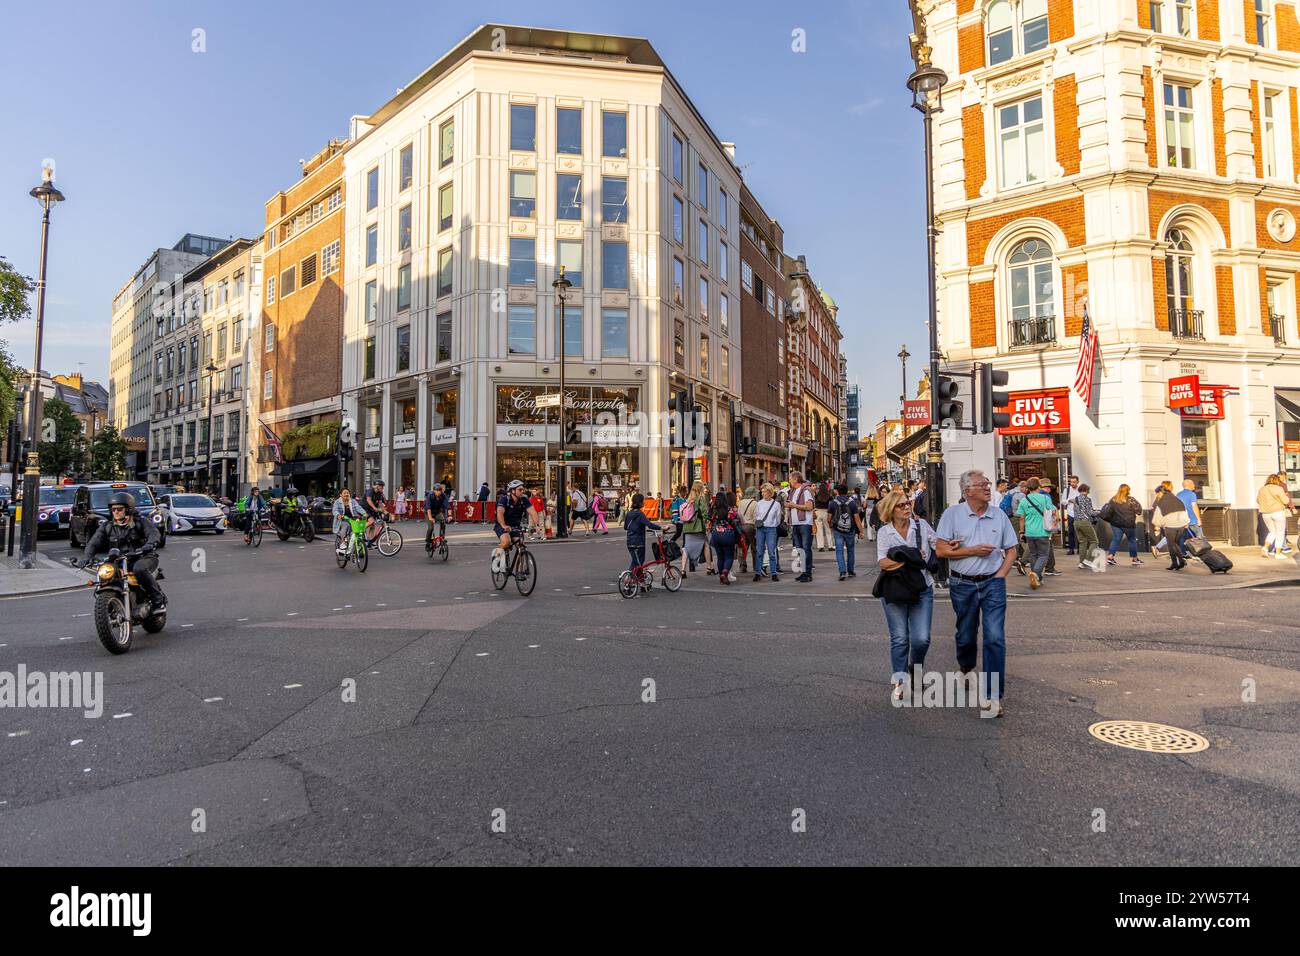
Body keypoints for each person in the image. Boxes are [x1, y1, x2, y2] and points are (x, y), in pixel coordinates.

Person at [935, 470, 1019, 718]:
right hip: (962, 584)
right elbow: (940, 551)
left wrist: (1001, 574)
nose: (987, 488)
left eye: (988, 484)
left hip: (993, 583)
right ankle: (966, 666)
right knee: (966, 634)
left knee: (994, 637)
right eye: (982, 485)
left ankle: (993, 696)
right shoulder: (952, 515)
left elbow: (1012, 550)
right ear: (967, 491)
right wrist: (972, 551)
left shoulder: (999, 515)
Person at [876, 488, 937, 702]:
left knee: (921, 638)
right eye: (901, 505)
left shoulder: (921, 526)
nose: (907, 507)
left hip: (922, 587)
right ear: (891, 510)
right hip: (894, 589)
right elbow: (883, 561)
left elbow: (938, 545)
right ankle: (900, 681)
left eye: (908, 503)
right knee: (900, 638)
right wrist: (910, 559)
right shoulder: (885, 533)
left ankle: (915, 668)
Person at [77, 491, 166, 613]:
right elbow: (93, 543)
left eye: (119, 509)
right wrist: (86, 557)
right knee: (107, 573)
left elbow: (154, 533)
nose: (116, 512)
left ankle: (157, 601)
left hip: (143, 557)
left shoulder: (140, 522)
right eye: (113, 510)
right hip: (119, 559)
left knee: (139, 569)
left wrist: (150, 544)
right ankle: (108, 604)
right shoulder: (107, 526)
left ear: (128, 509)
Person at [1016, 477, 1057, 589]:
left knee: (1033, 554)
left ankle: (1038, 578)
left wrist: (1021, 531)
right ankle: (1035, 573)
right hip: (1043, 531)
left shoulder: (1024, 500)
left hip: (1029, 532)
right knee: (1043, 555)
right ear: (1038, 486)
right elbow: (1052, 511)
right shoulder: (1045, 498)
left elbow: (1021, 517)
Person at [1099, 484, 1144, 566]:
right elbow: (1139, 511)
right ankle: (1135, 559)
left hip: (1116, 524)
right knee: (1132, 540)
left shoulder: (1113, 499)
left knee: (1116, 539)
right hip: (1128, 524)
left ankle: (1110, 557)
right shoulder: (1130, 499)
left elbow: (1109, 511)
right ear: (1128, 491)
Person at [828, 482, 864, 580]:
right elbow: (857, 519)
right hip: (850, 529)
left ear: (837, 492)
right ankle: (851, 571)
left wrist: (831, 527)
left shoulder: (833, 503)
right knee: (850, 550)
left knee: (839, 551)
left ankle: (842, 571)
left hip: (837, 530)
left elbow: (829, 518)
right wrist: (861, 531)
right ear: (847, 491)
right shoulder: (852, 503)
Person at [1152, 480, 1189, 571]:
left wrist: (1157, 526)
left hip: (1170, 526)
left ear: (1160, 492)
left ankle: (1176, 562)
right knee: (1175, 544)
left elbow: (1158, 515)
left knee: (1171, 545)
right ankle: (1179, 562)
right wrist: (1186, 522)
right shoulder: (1177, 499)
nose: (1157, 495)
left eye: (1157, 493)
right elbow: (1185, 511)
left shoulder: (1161, 502)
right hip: (1181, 525)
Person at [786, 471, 815, 582]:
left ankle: (808, 573)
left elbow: (809, 506)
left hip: (805, 523)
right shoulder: (793, 491)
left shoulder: (806, 490)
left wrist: (793, 505)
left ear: (795, 479)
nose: (789, 481)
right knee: (800, 549)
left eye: (790, 479)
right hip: (796, 523)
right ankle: (803, 572)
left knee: (806, 548)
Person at [1257, 474, 1294, 558]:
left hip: (1265, 514)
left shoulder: (1262, 489)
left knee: (1272, 532)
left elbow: (1258, 500)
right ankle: (1278, 553)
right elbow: (1285, 501)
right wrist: (1287, 497)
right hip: (1277, 512)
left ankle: (1265, 548)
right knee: (1280, 533)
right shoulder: (1279, 488)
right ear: (1277, 480)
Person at [753, 482, 783, 581]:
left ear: (770, 492)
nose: (763, 494)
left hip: (771, 529)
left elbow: (778, 518)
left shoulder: (776, 504)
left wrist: (773, 524)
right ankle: (757, 573)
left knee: (771, 551)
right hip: (760, 529)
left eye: (764, 492)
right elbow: (756, 516)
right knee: (760, 551)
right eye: (762, 492)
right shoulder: (759, 503)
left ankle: (774, 573)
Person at [708, 491, 739, 585]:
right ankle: (724, 574)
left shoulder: (713, 511)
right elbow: (735, 521)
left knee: (720, 557)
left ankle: (721, 574)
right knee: (729, 556)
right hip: (727, 534)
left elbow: (709, 519)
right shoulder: (729, 510)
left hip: (716, 534)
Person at [679, 480, 710, 573]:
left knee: (686, 547)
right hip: (698, 527)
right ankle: (709, 567)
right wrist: (707, 522)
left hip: (687, 527)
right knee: (706, 545)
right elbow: (704, 512)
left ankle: (683, 570)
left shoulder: (688, 499)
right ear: (700, 488)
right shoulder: (701, 498)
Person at [493, 479, 531, 553]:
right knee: (506, 542)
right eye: (520, 490)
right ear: (513, 491)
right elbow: (500, 513)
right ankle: (497, 553)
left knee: (521, 545)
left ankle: (521, 563)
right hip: (502, 525)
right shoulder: (504, 499)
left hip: (515, 526)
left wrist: (537, 525)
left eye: (523, 490)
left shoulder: (524, 500)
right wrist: (504, 525)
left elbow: (532, 512)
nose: (522, 491)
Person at [1072, 483, 1102, 568]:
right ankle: (1088, 561)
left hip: (1076, 522)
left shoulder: (1076, 499)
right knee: (1094, 541)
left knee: (1082, 542)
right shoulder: (1087, 499)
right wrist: (1100, 512)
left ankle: (1082, 562)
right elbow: (1090, 512)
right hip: (1085, 522)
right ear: (1087, 491)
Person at [333, 488, 368, 555]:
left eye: (348, 493)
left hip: (353, 519)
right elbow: (335, 510)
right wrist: (338, 515)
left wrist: (364, 513)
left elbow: (358, 507)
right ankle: (343, 542)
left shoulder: (353, 501)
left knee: (360, 530)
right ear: (341, 495)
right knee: (345, 526)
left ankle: (360, 545)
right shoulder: (337, 502)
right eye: (345, 493)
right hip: (343, 519)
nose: (346, 494)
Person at [736, 487, 758, 574]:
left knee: (742, 546)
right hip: (750, 527)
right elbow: (756, 517)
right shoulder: (755, 503)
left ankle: (742, 566)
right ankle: (756, 566)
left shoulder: (741, 502)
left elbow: (738, 514)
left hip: (741, 526)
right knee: (754, 547)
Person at [1176, 478, 1203, 547]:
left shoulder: (1178, 494)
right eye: (1193, 484)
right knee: (1200, 538)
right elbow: (1194, 507)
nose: (1194, 485)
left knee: (1181, 537)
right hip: (1192, 520)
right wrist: (1198, 519)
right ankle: (1202, 552)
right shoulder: (1192, 494)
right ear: (1189, 485)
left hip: (1182, 520)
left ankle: (1185, 552)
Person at [424, 483, 449, 549]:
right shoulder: (430, 496)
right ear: (434, 490)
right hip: (428, 513)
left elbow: (447, 506)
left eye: (440, 490)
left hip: (437, 512)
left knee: (443, 522)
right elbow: (428, 508)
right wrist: (430, 518)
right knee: (431, 528)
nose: (439, 492)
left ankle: (442, 538)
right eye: (437, 490)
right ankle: (428, 541)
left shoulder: (443, 495)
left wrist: (449, 516)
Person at [1061, 475, 1081, 555]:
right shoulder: (1067, 490)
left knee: (1079, 532)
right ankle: (1071, 549)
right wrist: (1069, 500)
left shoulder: (1080, 490)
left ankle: (1080, 549)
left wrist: (1077, 501)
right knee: (1070, 532)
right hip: (1070, 513)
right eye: (1071, 482)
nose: (1072, 484)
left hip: (1079, 513)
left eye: (1074, 482)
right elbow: (1063, 501)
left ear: (1077, 482)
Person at [813, 480, 833, 553]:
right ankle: (830, 546)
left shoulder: (817, 495)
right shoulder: (828, 496)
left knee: (819, 530)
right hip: (826, 512)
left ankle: (821, 546)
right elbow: (832, 502)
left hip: (818, 512)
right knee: (828, 529)